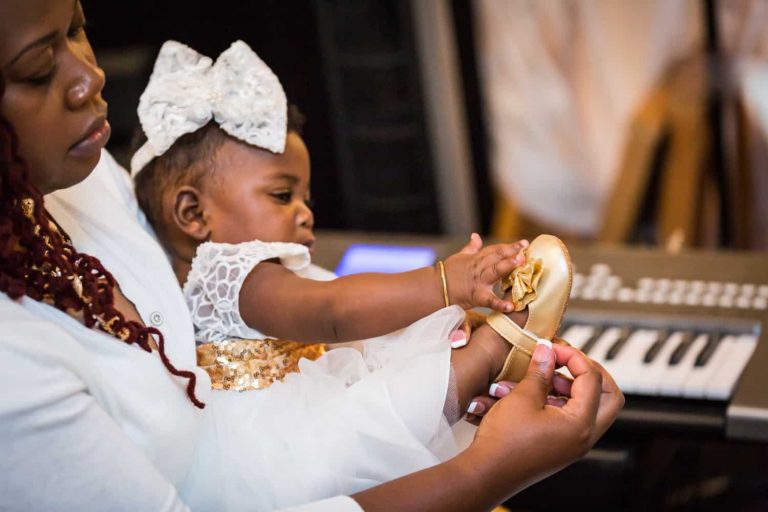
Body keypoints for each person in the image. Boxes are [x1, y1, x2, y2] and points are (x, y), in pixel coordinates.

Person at [0, 1, 624, 511]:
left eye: (79, 28)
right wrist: (444, 284)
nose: (91, 75)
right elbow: (327, 309)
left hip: (288, 399)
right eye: (35, 70)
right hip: (268, 454)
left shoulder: (76, 178)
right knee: (369, 414)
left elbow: (325, 300)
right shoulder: (221, 272)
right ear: (192, 216)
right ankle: (491, 353)